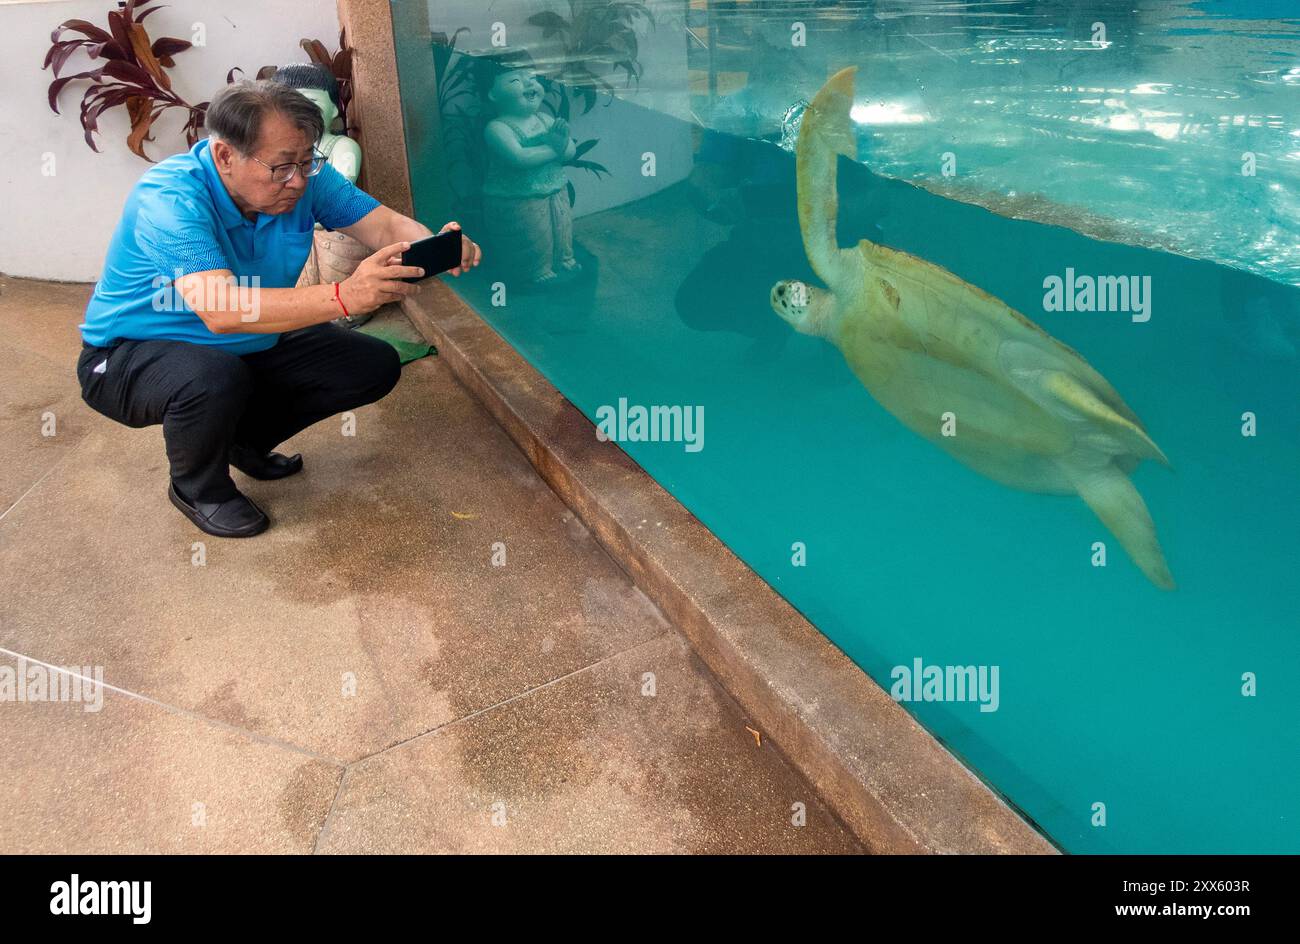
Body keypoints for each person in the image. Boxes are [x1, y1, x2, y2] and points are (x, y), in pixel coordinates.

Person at [75, 79, 482, 537]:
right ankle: (199, 487)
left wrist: (433, 247)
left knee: (371, 363)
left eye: (307, 161)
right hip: (129, 355)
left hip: (240, 342)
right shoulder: (169, 199)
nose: (299, 180)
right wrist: (346, 295)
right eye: (282, 168)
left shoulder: (305, 175)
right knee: (211, 377)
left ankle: (242, 441)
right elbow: (221, 310)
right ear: (225, 156)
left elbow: (384, 225)